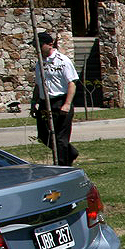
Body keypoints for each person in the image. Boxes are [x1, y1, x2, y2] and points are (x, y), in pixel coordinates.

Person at [32, 31, 79, 166]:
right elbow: (38, 84)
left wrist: (67, 104)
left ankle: (63, 166)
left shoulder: (63, 61)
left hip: (60, 101)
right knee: (43, 135)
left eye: (39, 45)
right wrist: (33, 102)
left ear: (50, 44)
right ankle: (70, 153)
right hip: (44, 103)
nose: (37, 49)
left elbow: (72, 83)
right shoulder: (39, 64)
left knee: (60, 139)